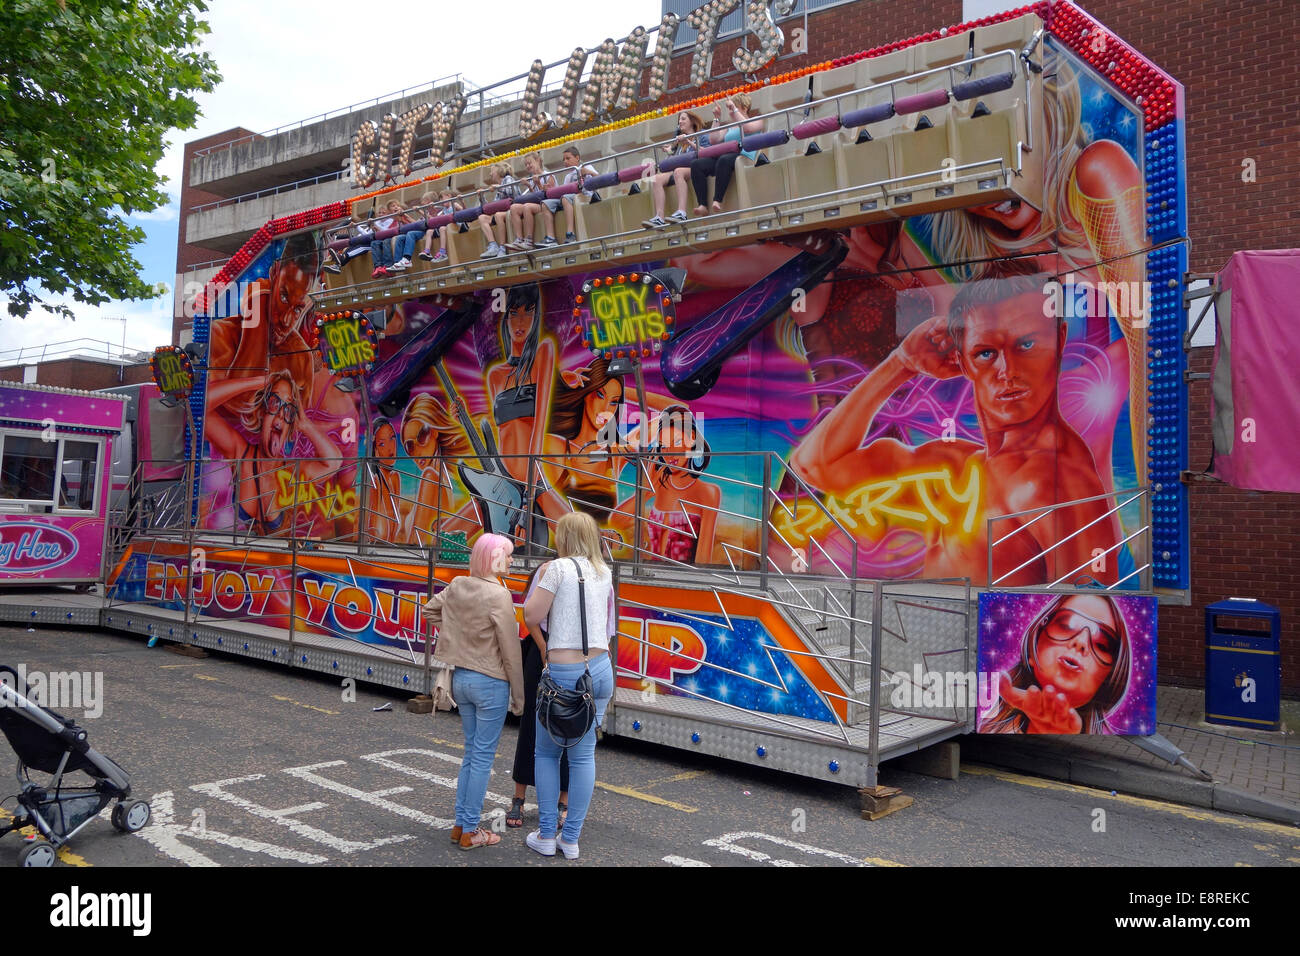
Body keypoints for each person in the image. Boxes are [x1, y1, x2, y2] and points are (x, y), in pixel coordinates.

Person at [789, 265, 1123, 586]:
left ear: (1060, 340)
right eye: (986, 353)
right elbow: (814, 465)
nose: (1007, 370)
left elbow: (1085, 616)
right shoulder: (955, 467)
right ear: (961, 360)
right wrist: (900, 363)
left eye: (1026, 345)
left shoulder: (1055, 479)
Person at [523, 512, 616, 860]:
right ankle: (571, 839)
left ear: (565, 537)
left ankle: (547, 835)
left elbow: (531, 615)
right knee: (583, 755)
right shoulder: (604, 572)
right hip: (601, 670)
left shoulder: (556, 569)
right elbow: (607, 625)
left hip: (564, 672)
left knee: (547, 753)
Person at [425, 533, 525, 850]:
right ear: (495, 558)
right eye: (507, 555)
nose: (511, 560)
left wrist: (456, 633)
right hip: (491, 681)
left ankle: (460, 824)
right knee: (482, 758)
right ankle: (470, 830)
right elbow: (511, 651)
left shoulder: (458, 585)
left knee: (471, 754)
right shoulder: (499, 596)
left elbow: (430, 610)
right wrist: (520, 696)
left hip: (460, 679)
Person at [203, 369, 343, 537]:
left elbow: (333, 462)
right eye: (274, 403)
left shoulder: (292, 473)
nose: (280, 415)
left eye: (288, 410)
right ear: (262, 413)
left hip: (276, 562)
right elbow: (201, 406)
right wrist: (258, 383)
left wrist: (305, 424)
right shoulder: (241, 453)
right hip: (236, 559)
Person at [485, 283, 571, 543]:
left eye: (528, 312)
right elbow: (502, 434)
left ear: (537, 316)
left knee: (577, 537)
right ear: (506, 318)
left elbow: (539, 423)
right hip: (503, 478)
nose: (520, 321)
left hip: (531, 477)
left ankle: (601, 539)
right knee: (452, 527)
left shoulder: (543, 352)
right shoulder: (494, 376)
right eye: (514, 313)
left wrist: (529, 492)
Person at [981, 593, 1131, 734]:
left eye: (1102, 645)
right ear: (1033, 648)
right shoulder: (990, 724)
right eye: (1066, 626)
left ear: (1109, 679)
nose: (1081, 642)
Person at [610, 405, 720, 564]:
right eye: (664, 445)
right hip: (651, 574)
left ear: (691, 439)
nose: (670, 451)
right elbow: (616, 520)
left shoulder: (709, 493)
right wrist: (646, 492)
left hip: (684, 578)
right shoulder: (658, 483)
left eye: (676, 441)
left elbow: (703, 558)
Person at [505, 564, 569, 830]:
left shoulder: (593, 571)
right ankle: (519, 797)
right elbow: (529, 615)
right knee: (532, 722)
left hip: (571, 650)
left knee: (568, 726)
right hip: (542, 646)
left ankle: (563, 801)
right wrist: (543, 648)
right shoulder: (549, 569)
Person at [399, 393, 480, 545]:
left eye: (421, 436)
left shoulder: (430, 476)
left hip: (425, 563)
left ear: (434, 431)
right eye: (409, 446)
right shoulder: (443, 479)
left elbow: (416, 543)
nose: (417, 451)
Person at [690, 94, 765, 216]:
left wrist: (735, 111)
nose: (730, 112)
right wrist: (717, 118)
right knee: (697, 164)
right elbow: (713, 140)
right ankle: (703, 204)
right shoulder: (729, 126)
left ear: (745, 108)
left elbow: (748, 128)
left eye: (733, 108)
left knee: (724, 159)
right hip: (725, 159)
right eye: (729, 109)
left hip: (743, 156)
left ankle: (718, 200)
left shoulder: (757, 120)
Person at [644, 110, 709, 228]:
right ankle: (659, 217)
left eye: (683, 119)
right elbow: (673, 162)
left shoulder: (702, 135)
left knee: (678, 171)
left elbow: (707, 153)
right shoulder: (678, 142)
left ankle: (682, 212)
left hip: (695, 167)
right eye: (679, 120)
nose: (680, 122)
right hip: (678, 170)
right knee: (656, 178)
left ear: (692, 121)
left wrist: (689, 142)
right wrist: (670, 151)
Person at [544, 146, 598, 244]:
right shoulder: (568, 176)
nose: (565, 161)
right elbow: (564, 191)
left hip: (585, 196)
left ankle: (570, 233)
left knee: (565, 199)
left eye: (568, 158)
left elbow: (599, 179)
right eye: (564, 159)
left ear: (577, 158)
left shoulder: (587, 167)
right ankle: (550, 237)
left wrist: (589, 172)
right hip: (571, 198)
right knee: (546, 203)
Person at [507, 152, 556, 251]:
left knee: (527, 206)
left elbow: (549, 195)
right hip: (538, 204)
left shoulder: (548, 175)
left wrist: (538, 183)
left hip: (548, 204)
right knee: (514, 208)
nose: (528, 166)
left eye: (530, 163)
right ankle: (519, 239)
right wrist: (529, 186)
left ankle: (529, 240)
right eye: (526, 165)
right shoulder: (531, 180)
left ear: (538, 161)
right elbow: (535, 195)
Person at [366, 418, 403, 542]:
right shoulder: (375, 481)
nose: (390, 448)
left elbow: (396, 520)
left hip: (390, 542)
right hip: (378, 541)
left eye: (392, 438)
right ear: (375, 451)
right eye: (382, 444)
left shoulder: (395, 477)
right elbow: (372, 520)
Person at [477, 162, 522, 259]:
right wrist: (482, 197)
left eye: (492, 171)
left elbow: (512, 194)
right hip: (502, 212)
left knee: (498, 215)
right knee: (482, 218)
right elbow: (492, 207)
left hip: (513, 210)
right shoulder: (499, 186)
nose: (490, 174)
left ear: (499, 170)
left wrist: (499, 188)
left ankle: (502, 247)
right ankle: (493, 245)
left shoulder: (508, 179)